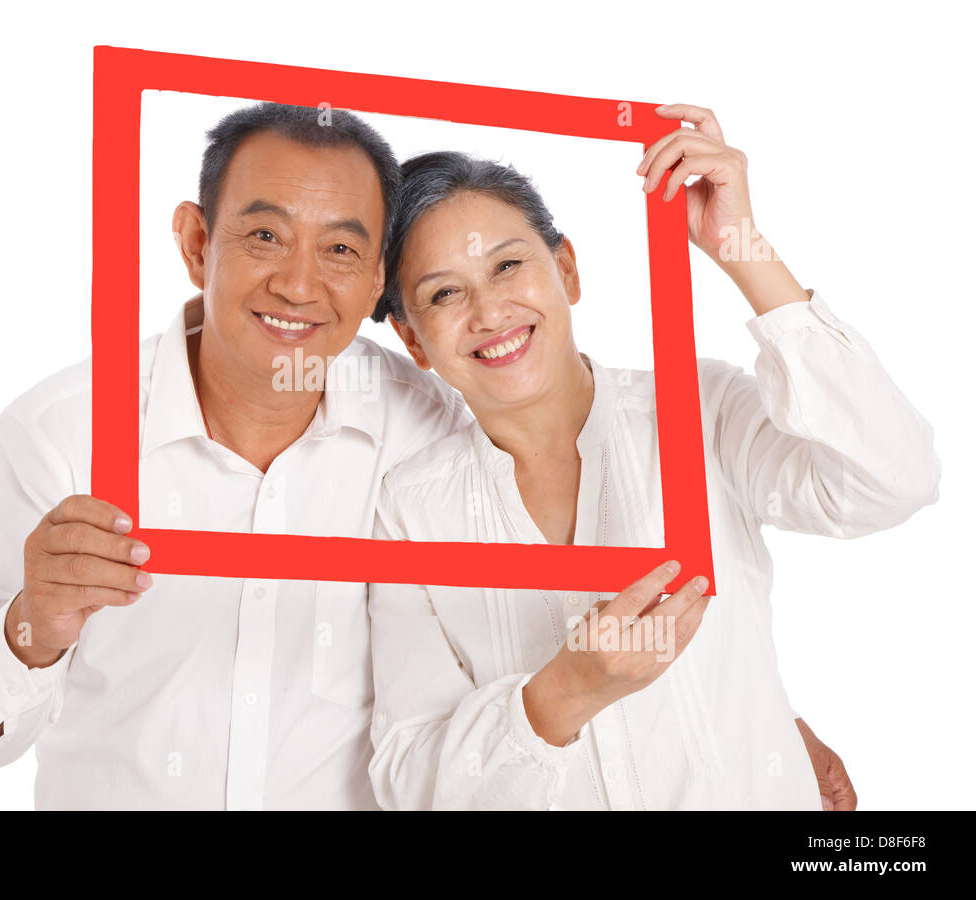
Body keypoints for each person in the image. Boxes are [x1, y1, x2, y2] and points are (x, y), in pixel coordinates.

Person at [366, 105, 938, 810]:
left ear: (567, 270)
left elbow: (894, 479)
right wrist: (564, 694)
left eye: (508, 265)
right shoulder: (408, 509)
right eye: (444, 293)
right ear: (413, 341)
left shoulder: (698, 408)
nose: (489, 312)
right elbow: (411, 780)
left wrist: (740, 245)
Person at [0, 103, 467, 809]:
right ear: (197, 243)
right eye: (265, 236)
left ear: (375, 280)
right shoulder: (60, 432)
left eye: (339, 250)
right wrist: (32, 628)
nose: (298, 286)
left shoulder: (429, 428)